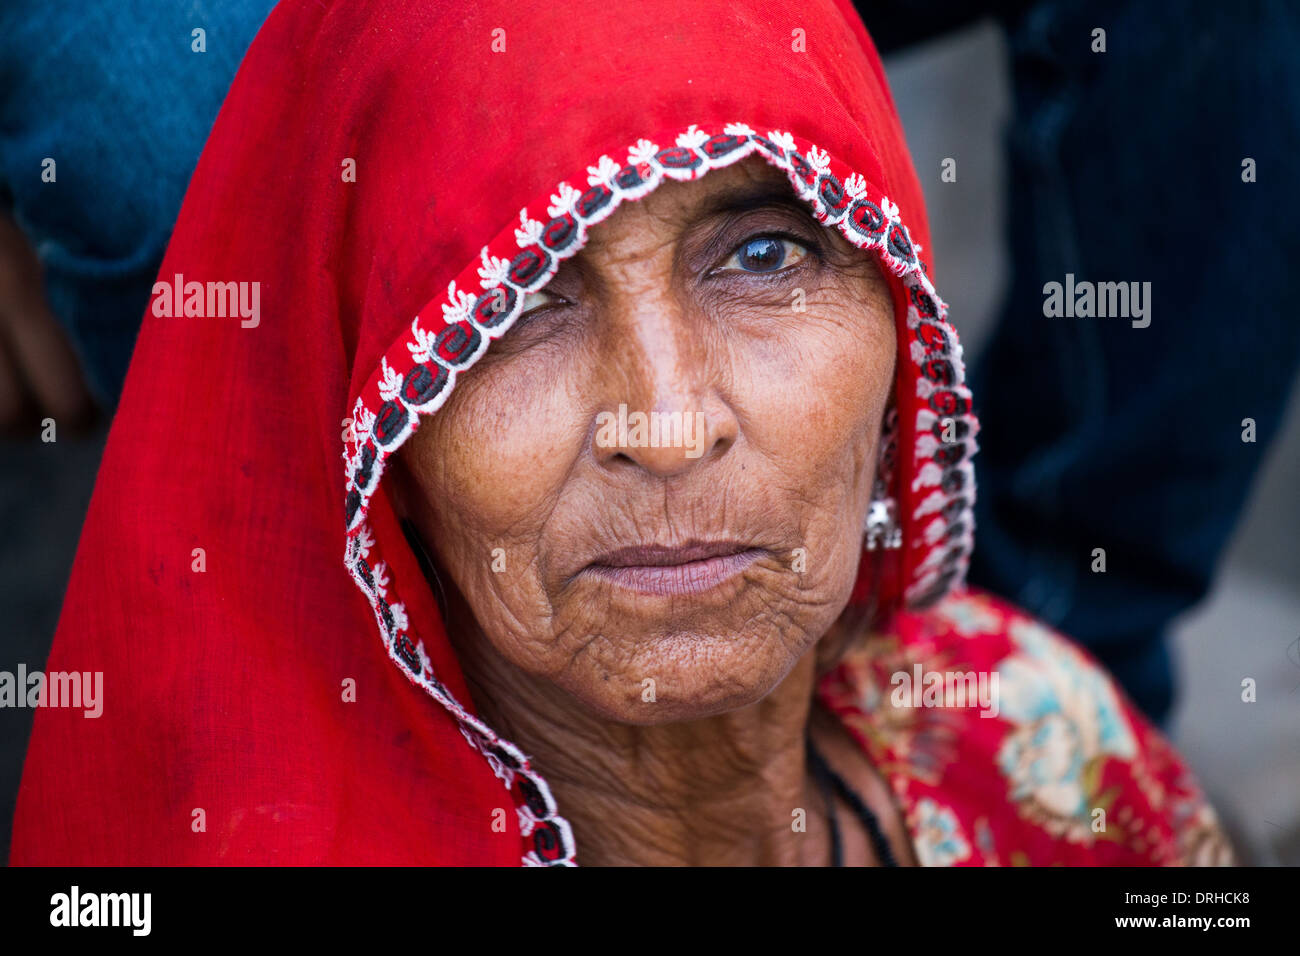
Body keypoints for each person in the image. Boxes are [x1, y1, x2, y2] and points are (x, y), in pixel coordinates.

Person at [9, 0, 1233, 866]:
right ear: (375, 446)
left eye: (765, 254)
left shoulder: (1033, 736)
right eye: (506, 301)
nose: (666, 420)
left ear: (902, 324)